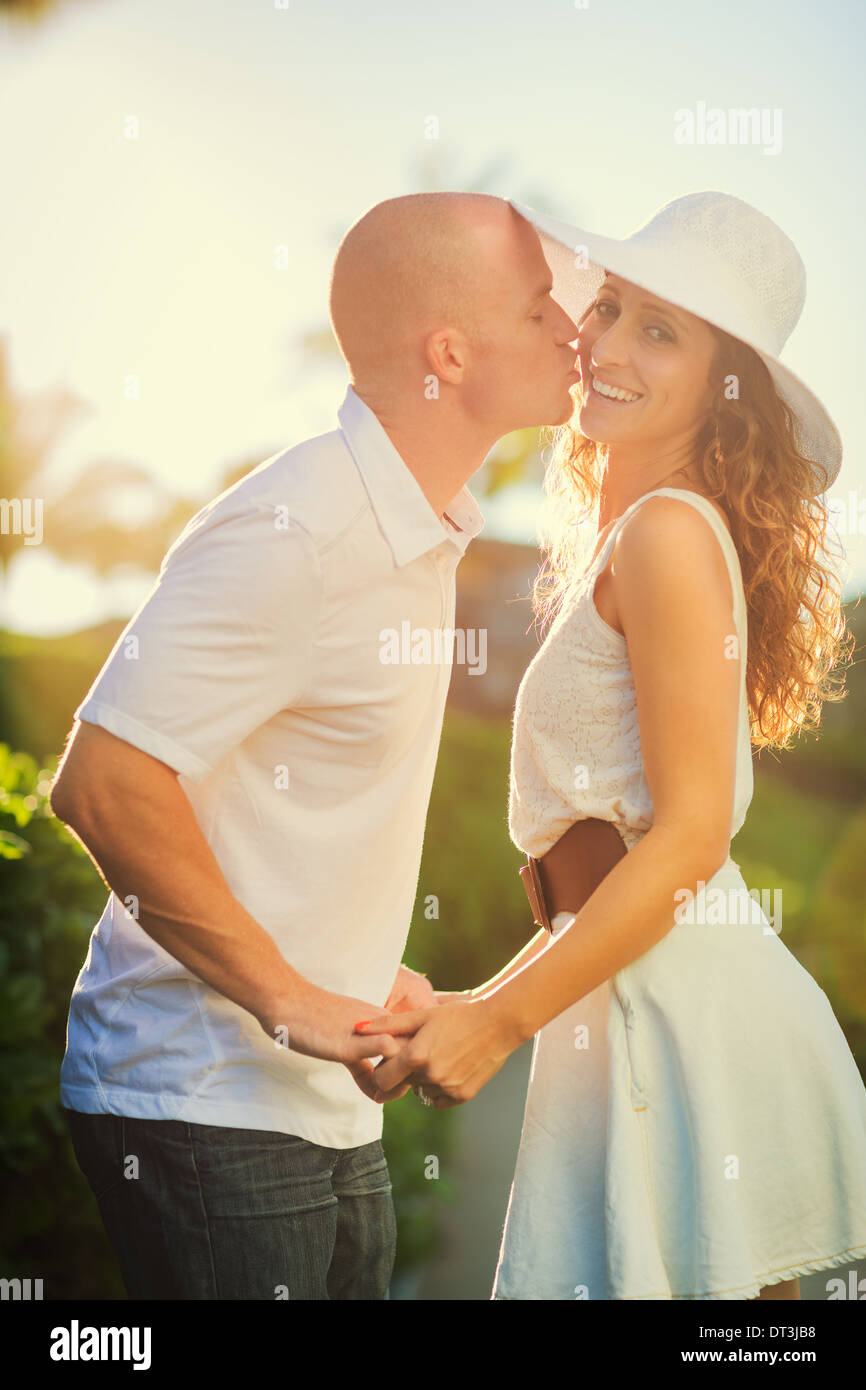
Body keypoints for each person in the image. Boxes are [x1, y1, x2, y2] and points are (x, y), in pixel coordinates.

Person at [49, 191, 581, 1300]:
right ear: (448, 348)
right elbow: (104, 781)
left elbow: (280, 806)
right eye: (538, 311)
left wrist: (340, 968)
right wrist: (287, 994)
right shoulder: (300, 525)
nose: (571, 329)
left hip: (319, 1107)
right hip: (200, 1102)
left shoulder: (424, 533)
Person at [359, 190, 866, 1301]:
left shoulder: (667, 535)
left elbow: (682, 842)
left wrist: (494, 1021)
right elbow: (610, 859)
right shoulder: (638, 536)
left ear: (723, 393)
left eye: (659, 330)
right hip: (629, 992)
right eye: (612, 309)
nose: (605, 345)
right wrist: (474, 999)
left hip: (686, 1017)